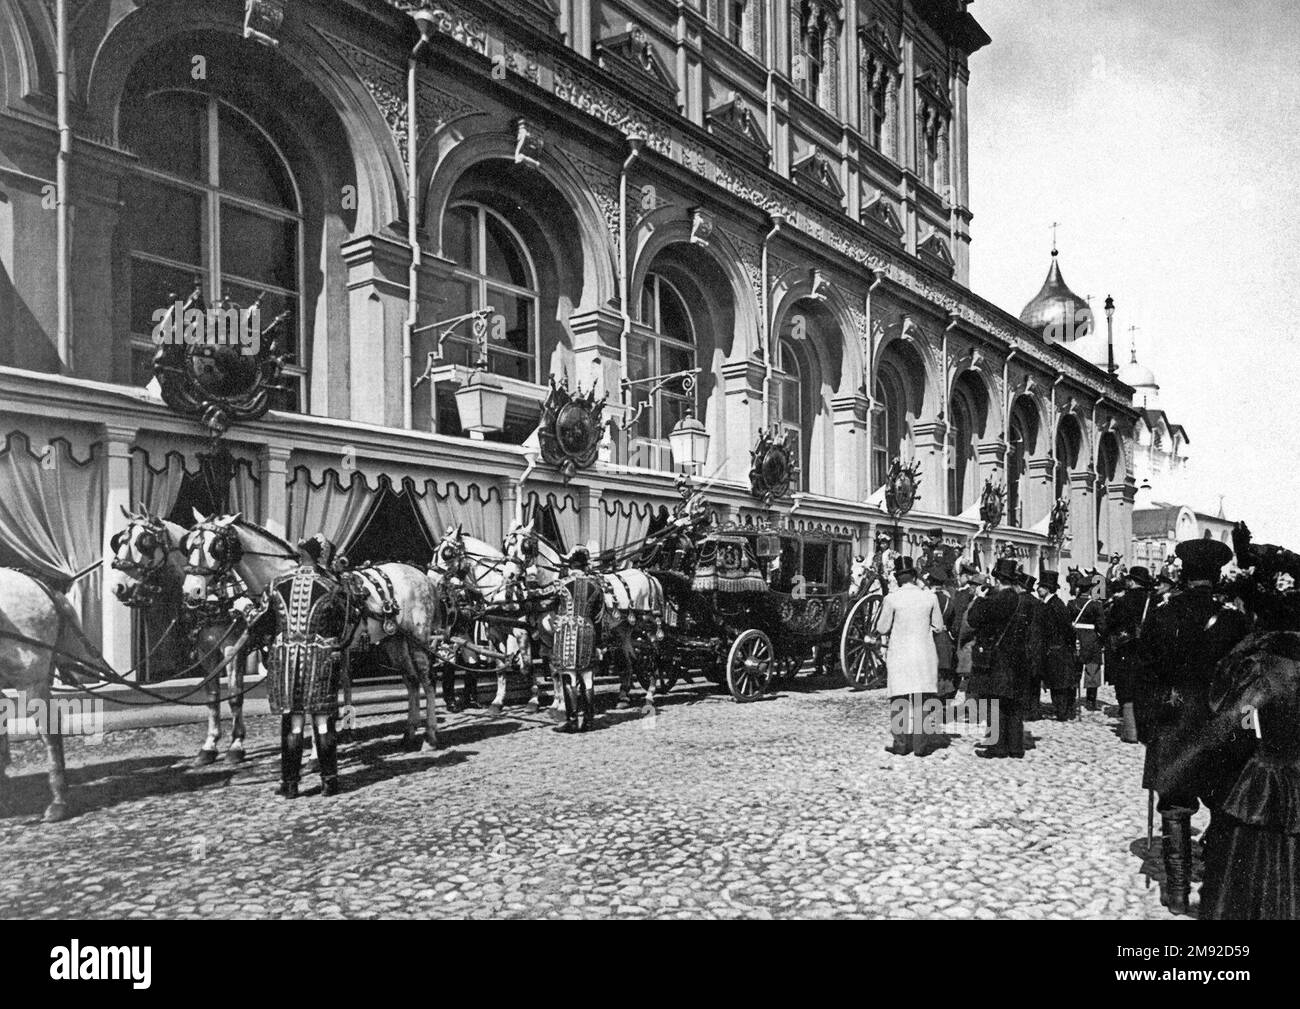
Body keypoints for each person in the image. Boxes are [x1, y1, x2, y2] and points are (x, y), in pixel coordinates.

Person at [1134, 539, 1250, 914]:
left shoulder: (1162, 614)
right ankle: (1214, 887)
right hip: (1220, 725)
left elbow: (1145, 674)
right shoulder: (1234, 620)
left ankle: (1178, 892)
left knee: (1175, 805)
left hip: (1174, 722)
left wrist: (1150, 725)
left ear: (1183, 572)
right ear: (1217, 577)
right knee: (1221, 806)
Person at [241, 534, 366, 799]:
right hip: (320, 660)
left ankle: (290, 784)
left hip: (286, 661)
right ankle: (329, 782)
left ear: (301, 555)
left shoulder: (277, 584)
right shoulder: (330, 586)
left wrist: (242, 608)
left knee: (294, 723)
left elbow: (260, 622)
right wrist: (336, 646)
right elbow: (351, 619)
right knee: (323, 723)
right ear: (321, 558)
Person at [875, 555, 947, 757]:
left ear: (898, 578)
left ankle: (900, 744)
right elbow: (938, 626)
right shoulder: (930, 597)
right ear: (915, 576)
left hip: (900, 654)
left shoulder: (892, 599)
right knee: (922, 700)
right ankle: (921, 745)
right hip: (924, 654)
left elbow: (882, 628)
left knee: (900, 699)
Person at [967, 557, 1034, 758]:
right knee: (1012, 703)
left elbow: (973, 620)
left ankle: (997, 746)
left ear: (997, 580)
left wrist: (979, 598)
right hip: (1017, 657)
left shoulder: (996, 600)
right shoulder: (1021, 600)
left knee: (994, 702)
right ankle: (1015, 746)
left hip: (997, 657)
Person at [1106, 565, 1156, 744]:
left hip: (1127, 649)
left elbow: (1110, 624)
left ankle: (1131, 732)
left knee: (1128, 690)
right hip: (1149, 651)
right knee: (1146, 688)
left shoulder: (1122, 601)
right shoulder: (1154, 600)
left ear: (1132, 581)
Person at [1034, 570, 1077, 720]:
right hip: (1054, 649)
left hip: (1057, 649)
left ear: (1048, 589)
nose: (1038, 589)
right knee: (1057, 680)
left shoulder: (1055, 605)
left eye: (1042, 587)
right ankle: (1063, 710)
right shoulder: (1051, 604)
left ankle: (1063, 711)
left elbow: (1067, 629)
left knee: (1058, 681)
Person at [1068, 571, 1106, 711]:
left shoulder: (1071, 603)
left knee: (1074, 670)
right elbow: (1101, 625)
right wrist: (1103, 638)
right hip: (1091, 639)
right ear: (1090, 588)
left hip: (1076, 638)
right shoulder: (1096, 604)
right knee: (1092, 670)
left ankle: (1071, 700)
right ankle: (1090, 702)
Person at [926, 562, 958, 700]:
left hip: (929, 637)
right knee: (943, 672)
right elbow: (952, 620)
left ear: (930, 581)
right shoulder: (948, 599)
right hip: (944, 637)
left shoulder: (926, 598)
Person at [1020, 569, 1045, 721]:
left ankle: (1024, 710)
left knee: (1022, 681)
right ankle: (1034, 710)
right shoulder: (1038, 603)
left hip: (1023, 645)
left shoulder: (1019, 602)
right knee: (1034, 681)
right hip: (1037, 646)